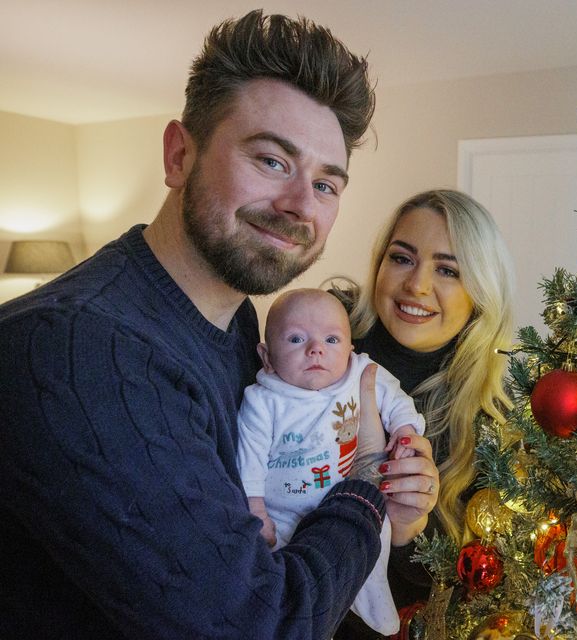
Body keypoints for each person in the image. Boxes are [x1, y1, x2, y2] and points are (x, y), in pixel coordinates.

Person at [0, 11, 400, 640]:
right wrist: (366, 484)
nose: (301, 205)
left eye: (326, 184)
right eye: (272, 160)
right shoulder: (76, 350)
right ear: (179, 154)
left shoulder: (239, 319)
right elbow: (263, 625)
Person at [332, 189, 516, 639]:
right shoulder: (321, 339)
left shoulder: (493, 420)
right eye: (401, 258)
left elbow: (460, 599)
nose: (416, 285)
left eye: (448, 270)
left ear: (479, 293)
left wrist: (406, 529)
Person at [237, 288, 425, 635]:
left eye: (332, 339)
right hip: (284, 510)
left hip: (350, 498)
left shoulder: (359, 374)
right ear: (266, 356)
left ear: (350, 348)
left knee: (375, 532)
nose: (315, 349)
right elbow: (249, 455)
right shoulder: (264, 400)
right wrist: (256, 508)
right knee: (280, 569)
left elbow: (397, 399)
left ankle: (372, 592)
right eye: (296, 338)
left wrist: (404, 431)